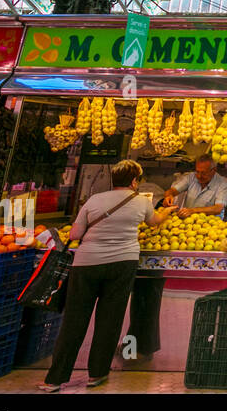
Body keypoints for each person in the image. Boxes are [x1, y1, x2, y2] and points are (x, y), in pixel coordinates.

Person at [40, 161, 177, 392]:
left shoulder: (94, 200)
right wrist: (166, 212)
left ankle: (54, 378)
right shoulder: (141, 202)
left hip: (86, 264)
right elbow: (154, 223)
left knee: (74, 321)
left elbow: (75, 233)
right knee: (109, 321)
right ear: (134, 181)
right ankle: (97, 374)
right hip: (122, 264)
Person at [162, 154, 227, 216]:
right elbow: (173, 190)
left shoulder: (223, 184)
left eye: (203, 173)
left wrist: (193, 211)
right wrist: (169, 196)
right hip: (189, 223)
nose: (199, 176)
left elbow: (218, 208)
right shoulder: (191, 177)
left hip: (211, 226)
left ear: (213, 170)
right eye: (197, 171)